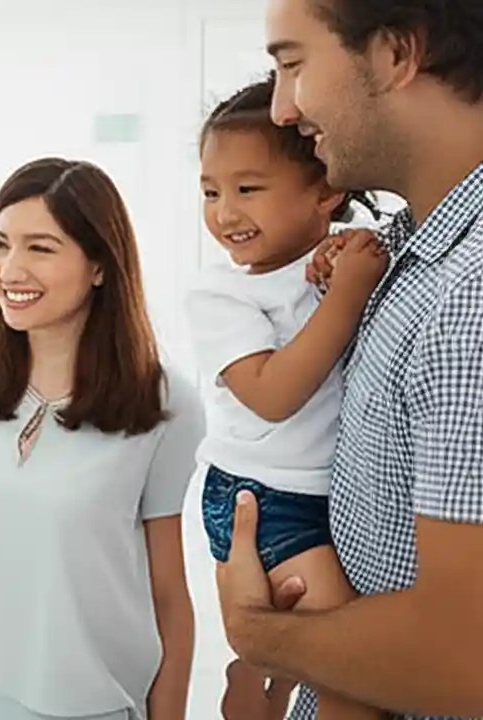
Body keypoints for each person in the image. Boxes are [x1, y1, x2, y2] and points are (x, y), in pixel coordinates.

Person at [215, 0, 483, 718]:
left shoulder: (470, 296)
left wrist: (258, 633)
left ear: (397, 55)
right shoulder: (401, 247)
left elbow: (468, 653)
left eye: (292, 65)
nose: (279, 110)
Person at [0, 157, 203, 720]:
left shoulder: (162, 402)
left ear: (100, 264)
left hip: (82, 703)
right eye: (0, 243)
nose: (9, 269)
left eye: (40, 248)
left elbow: (168, 594)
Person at [186, 75, 388, 720]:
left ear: (326, 191)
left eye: (248, 189)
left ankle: (254, 685)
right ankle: (257, 685)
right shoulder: (223, 296)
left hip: (318, 489)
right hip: (260, 497)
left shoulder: (328, 265)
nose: (225, 212)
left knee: (317, 651)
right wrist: (350, 292)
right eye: (211, 191)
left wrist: (342, 270)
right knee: (352, 667)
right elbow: (273, 395)